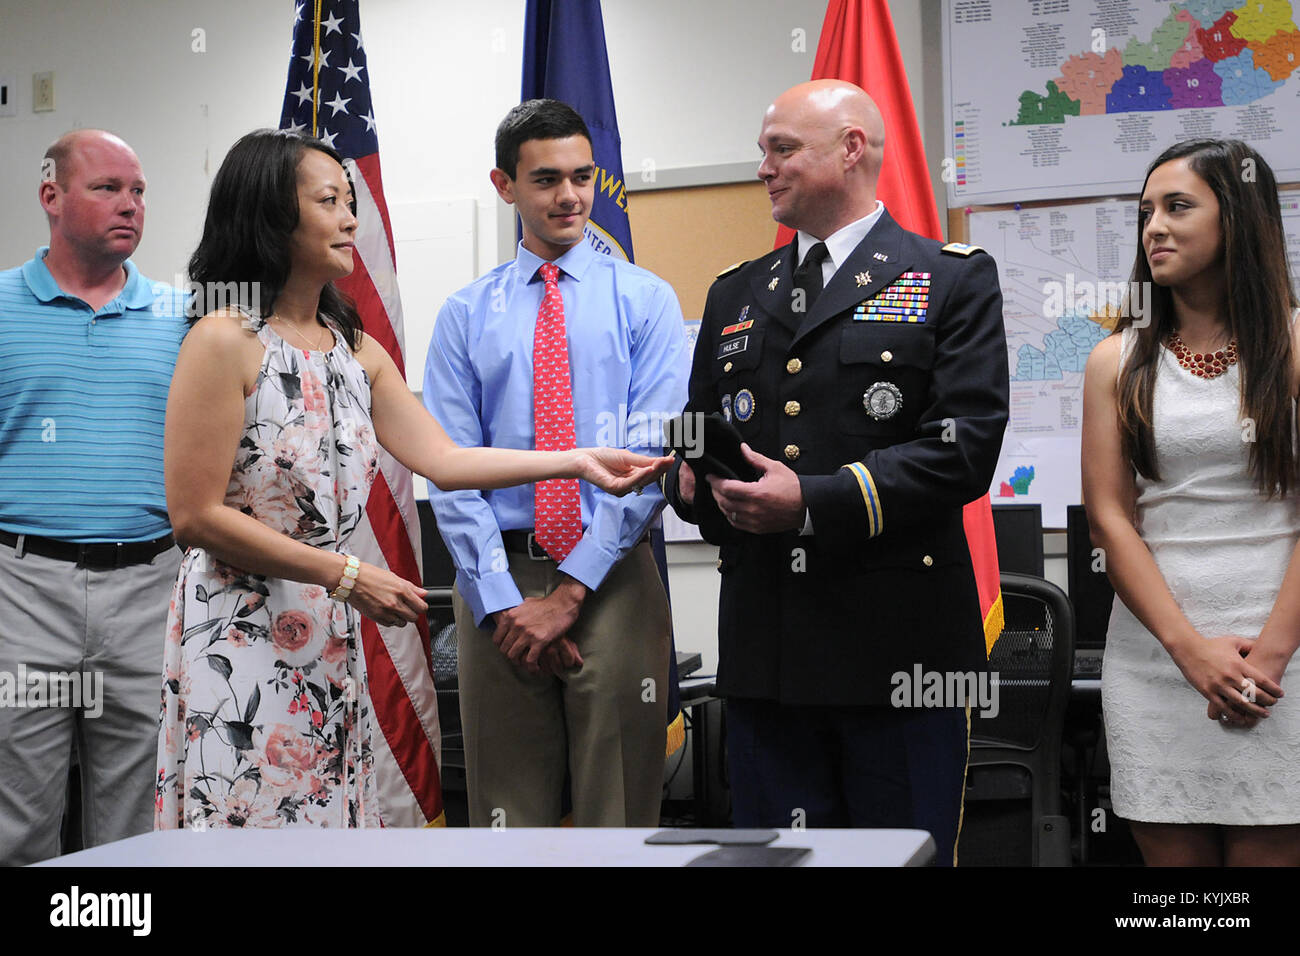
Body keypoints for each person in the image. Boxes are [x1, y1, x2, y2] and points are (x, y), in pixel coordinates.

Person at [154, 129, 668, 830]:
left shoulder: (353, 345)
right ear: (272, 216)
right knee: (253, 822)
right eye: (329, 202)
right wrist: (347, 574)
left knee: (333, 823)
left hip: (332, 630)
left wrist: (574, 460)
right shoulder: (223, 337)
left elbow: (447, 460)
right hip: (242, 636)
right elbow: (195, 517)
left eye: (350, 200)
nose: (350, 221)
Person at [660, 80, 1008, 864]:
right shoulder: (735, 291)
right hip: (767, 659)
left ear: (851, 149)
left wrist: (811, 503)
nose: (763, 168)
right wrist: (685, 483)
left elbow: (964, 448)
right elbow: (698, 429)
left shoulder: (950, 278)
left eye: (782, 149)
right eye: (763, 150)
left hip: (900, 660)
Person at [422, 100, 687, 827]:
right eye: (546, 179)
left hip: (612, 578)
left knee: (618, 810)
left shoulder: (647, 301)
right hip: (495, 585)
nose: (570, 196)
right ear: (504, 186)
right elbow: (449, 466)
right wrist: (504, 601)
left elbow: (650, 457)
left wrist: (570, 593)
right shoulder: (465, 315)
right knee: (508, 815)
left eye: (582, 176)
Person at [1081, 139, 1300, 866]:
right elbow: (1111, 518)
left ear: (1238, 218)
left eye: (1178, 207)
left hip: (1282, 661)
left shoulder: (1296, 344)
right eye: (1146, 212)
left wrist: (1264, 659)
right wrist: (1189, 653)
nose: (1154, 228)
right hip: (1156, 658)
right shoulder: (1117, 359)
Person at [0, 130, 186, 865]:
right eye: (107, 187)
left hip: (149, 588)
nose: (129, 205)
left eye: (138, 191)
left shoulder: (186, 317)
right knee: (17, 818)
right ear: (51, 196)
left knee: (137, 824)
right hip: (22, 590)